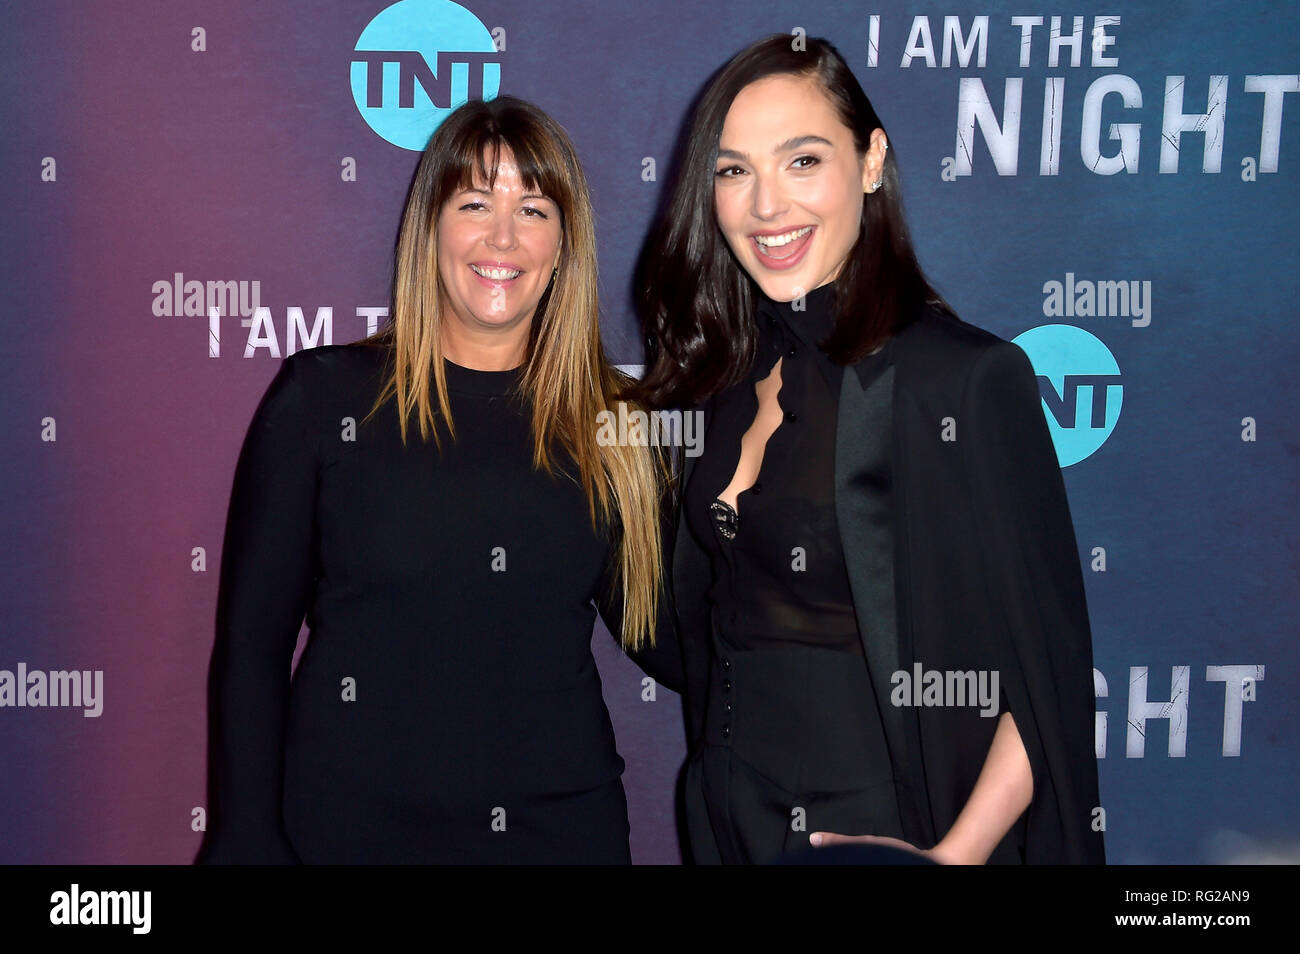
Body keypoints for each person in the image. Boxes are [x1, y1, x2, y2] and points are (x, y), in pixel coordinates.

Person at [634, 34, 1105, 864]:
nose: (765, 206)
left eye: (802, 160)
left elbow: (1046, 682)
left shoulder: (961, 380)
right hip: (725, 815)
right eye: (734, 170)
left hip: (882, 827)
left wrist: (951, 857)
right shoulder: (725, 379)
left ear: (873, 160)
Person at [196, 95, 681, 864]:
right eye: (474, 203)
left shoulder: (613, 426)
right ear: (430, 228)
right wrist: (245, 836)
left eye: (534, 209)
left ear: (563, 245)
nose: (502, 236)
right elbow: (253, 647)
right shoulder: (323, 400)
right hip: (345, 835)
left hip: (557, 837)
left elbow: (670, 640)